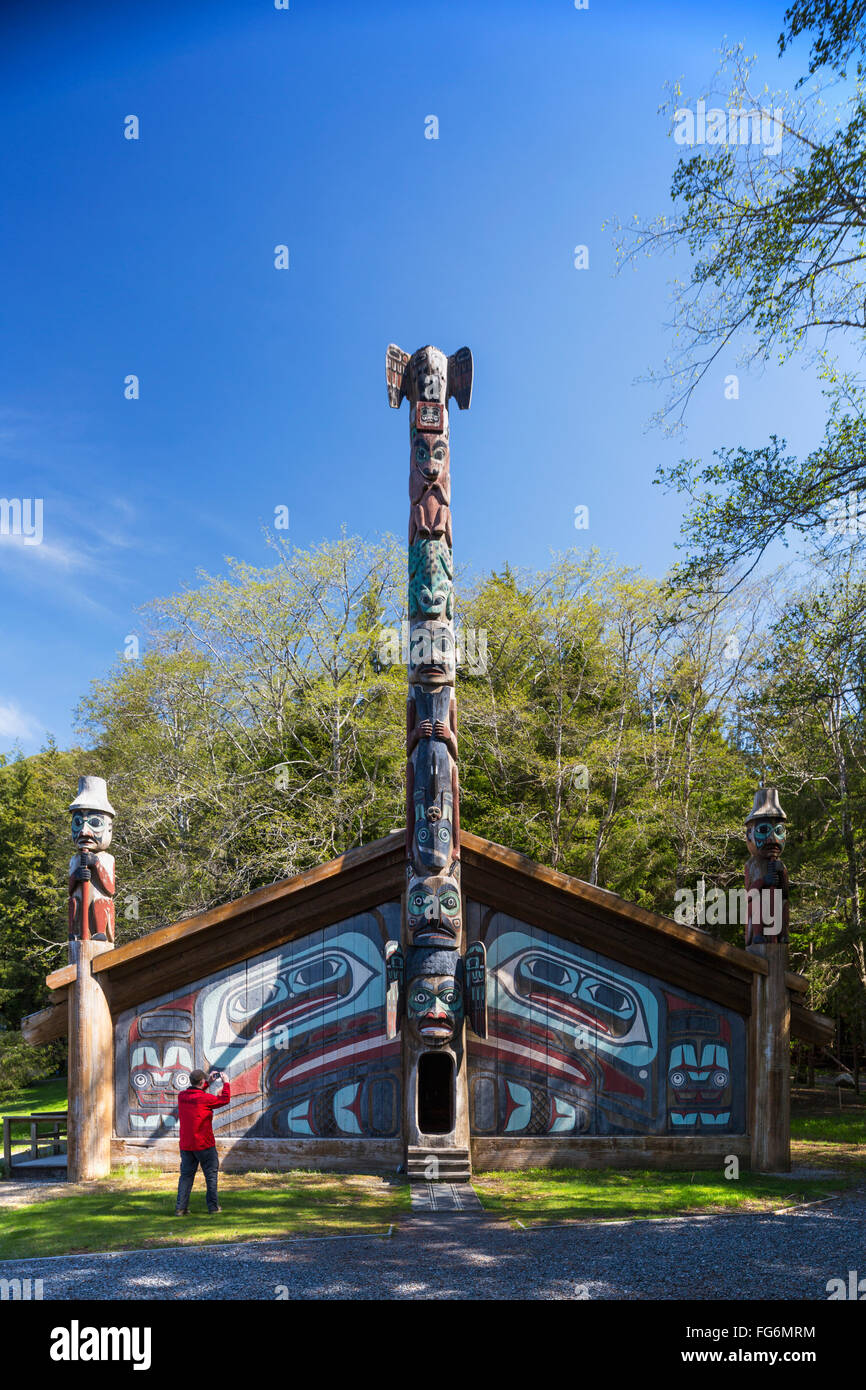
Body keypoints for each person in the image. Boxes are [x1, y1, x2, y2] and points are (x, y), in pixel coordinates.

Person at [175, 1068, 231, 1216]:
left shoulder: (182, 1096)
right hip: (204, 1144)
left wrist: (208, 1083)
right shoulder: (205, 1099)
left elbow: (196, 1093)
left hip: (187, 1145)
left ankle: (181, 1208)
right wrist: (226, 1084)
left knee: (186, 1177)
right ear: (201, 1082)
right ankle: (213, 1207)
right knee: (211, 1176)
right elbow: (224, 1099)